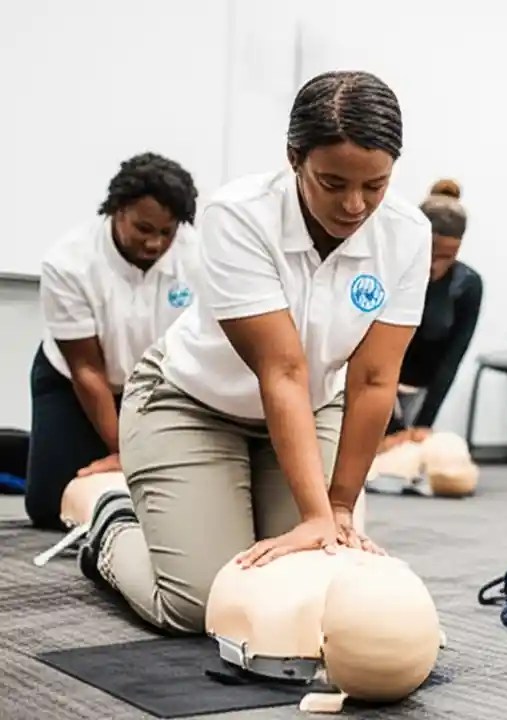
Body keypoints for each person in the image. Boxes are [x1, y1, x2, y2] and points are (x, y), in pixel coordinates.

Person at [74, 70, 431, 635]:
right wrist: (315, 514)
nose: (355, 205)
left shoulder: (408, 234)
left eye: (376, 185)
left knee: (314, 579)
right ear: (294, 158)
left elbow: (373, 381)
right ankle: (110, 526)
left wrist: (337, 509)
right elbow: (282, 369)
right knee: (200, 603)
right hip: (190, 406)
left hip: (311, 411)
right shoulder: (238, 215)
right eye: (332, 182)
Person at [25, 152, 200, 530]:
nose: (155, 243)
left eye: (166, 232)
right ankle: (29, 450)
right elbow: (86, 369)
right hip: (75, 381)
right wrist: (123, 449)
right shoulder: (69, 262)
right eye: (143, 228)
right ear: (117, 211)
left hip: (154, 383)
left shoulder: (197, 258)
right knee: (49, 505)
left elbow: (194, 353)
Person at [387, 178, 483, 437]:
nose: (434, 265)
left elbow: (452, 359)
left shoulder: (467, 286)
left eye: (446, 257)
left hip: (421, 391)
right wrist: (390, 421)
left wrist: (424, 423)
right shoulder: (391, 274)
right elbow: (374, 353)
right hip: (377, 390)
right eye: (430, 253)